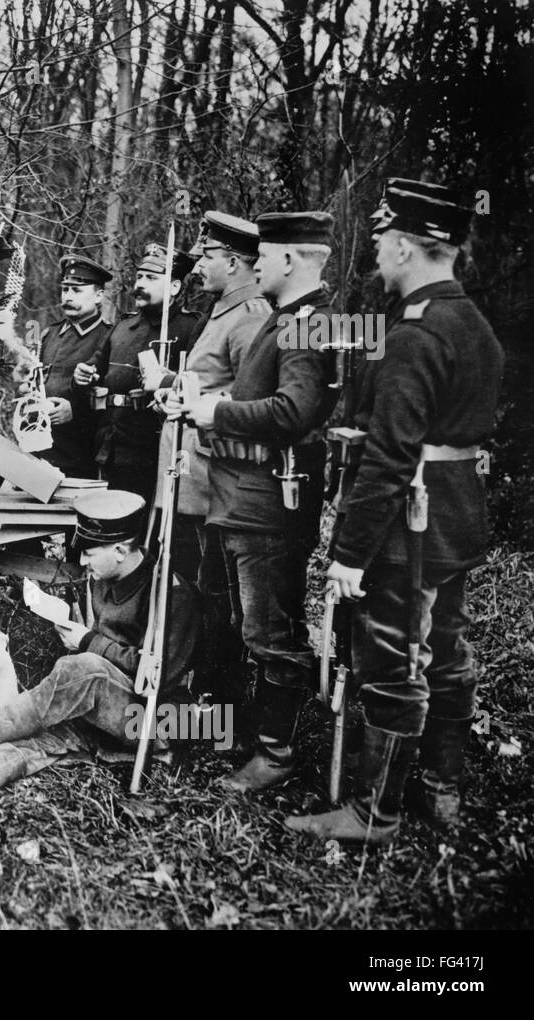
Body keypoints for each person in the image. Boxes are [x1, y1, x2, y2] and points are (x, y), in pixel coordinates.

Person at [286, 180, 503, 845]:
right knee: (445, 650)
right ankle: (441, 785)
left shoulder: (414, 333)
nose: (376, 257)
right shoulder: (473, 322)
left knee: (391, 659)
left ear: (407, 247)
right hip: (457, 520)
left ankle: (373, 811)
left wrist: (349, 556)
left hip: (411, 525)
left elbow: (389, 455)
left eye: (382, 243)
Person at [0, 491, 200, 804]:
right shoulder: (102, 577)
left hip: (161, 718)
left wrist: (87, 642)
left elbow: (158, 675)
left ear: (119, 550)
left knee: (82, 671)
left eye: (89, 553)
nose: (82, 562)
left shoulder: (171, 594)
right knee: (41, 738)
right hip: (107, 711)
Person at [180, 211, 338, 793]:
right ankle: (244, 731)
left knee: (272, 635)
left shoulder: (309, 325)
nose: (258, 265)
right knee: (247, 627)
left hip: (271, 506)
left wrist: (216, 412)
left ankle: (277, 754)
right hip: (240, 500)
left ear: (291, 260)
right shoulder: (286, 321)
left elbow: (295, 413)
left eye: (265, 256)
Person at [156, 211, 271, 699]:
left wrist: (200, 414)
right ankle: (194, 688)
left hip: (217, 487)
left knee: (220, 602)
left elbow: (253, 413)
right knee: (192, 593)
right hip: (190, 481)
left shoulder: (251, 318)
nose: (197, 264)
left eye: (207, 256)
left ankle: (220, 702)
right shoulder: (221, 310)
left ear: (237, 262)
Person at [81, 241, 202, 504]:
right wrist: (82, 376)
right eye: (139, 276)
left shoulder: (191, 327)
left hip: (157, 447)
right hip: (111, 443)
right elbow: (93, 368)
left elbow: (200, 385)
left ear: (174, 287)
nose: (140, 283)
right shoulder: (123, 326)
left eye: (151, 278)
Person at [31, 253, 111, 478]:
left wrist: (75, 411)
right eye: (65, 289)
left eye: (76, 291)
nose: (67, 297)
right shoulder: (48, 334)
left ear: (98, 296)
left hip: (80, 455)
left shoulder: (109, 336)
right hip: (38, 451)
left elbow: (112, 397)